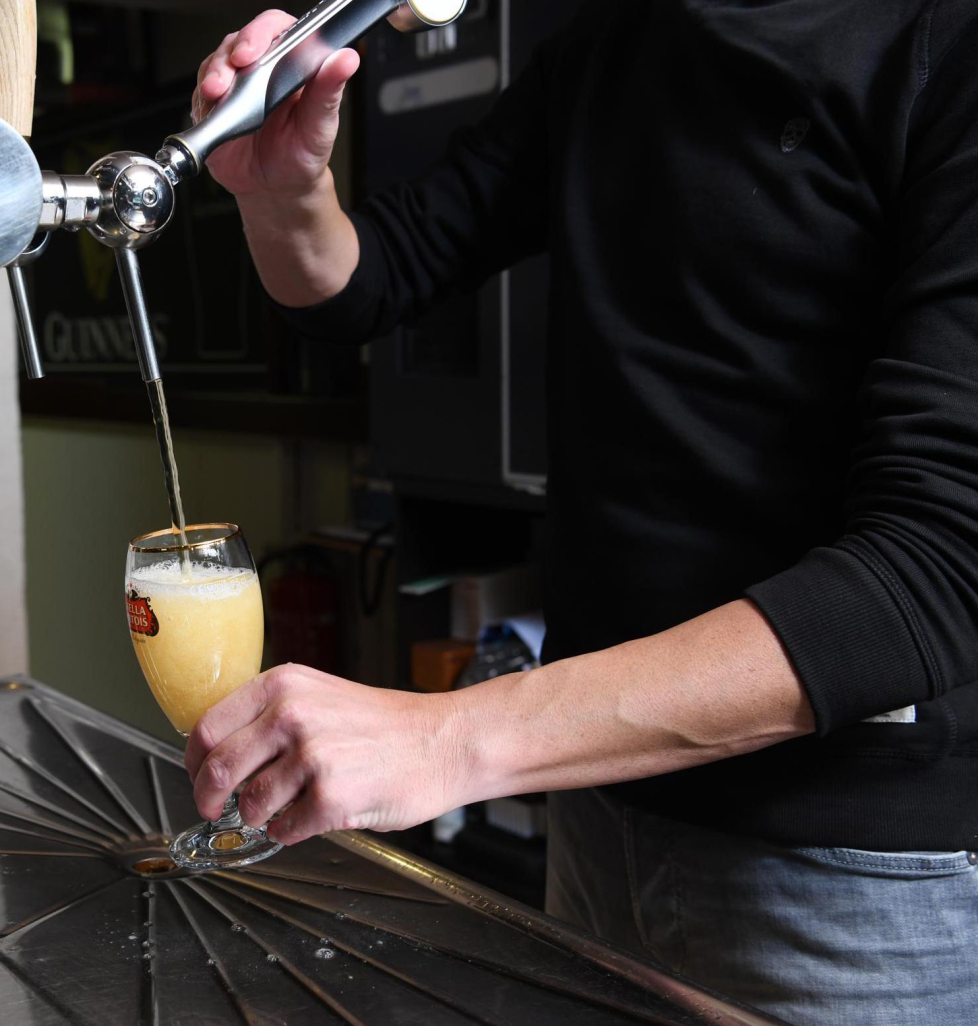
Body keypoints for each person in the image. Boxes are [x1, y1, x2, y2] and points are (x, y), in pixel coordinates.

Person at [180, 3, 978, 1023]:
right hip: (600, 800)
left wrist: (451, 740)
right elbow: (375, 275)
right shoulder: (615, 46)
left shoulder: (944, 43)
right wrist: (282, 193)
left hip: (849, 871)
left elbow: (939, 569)